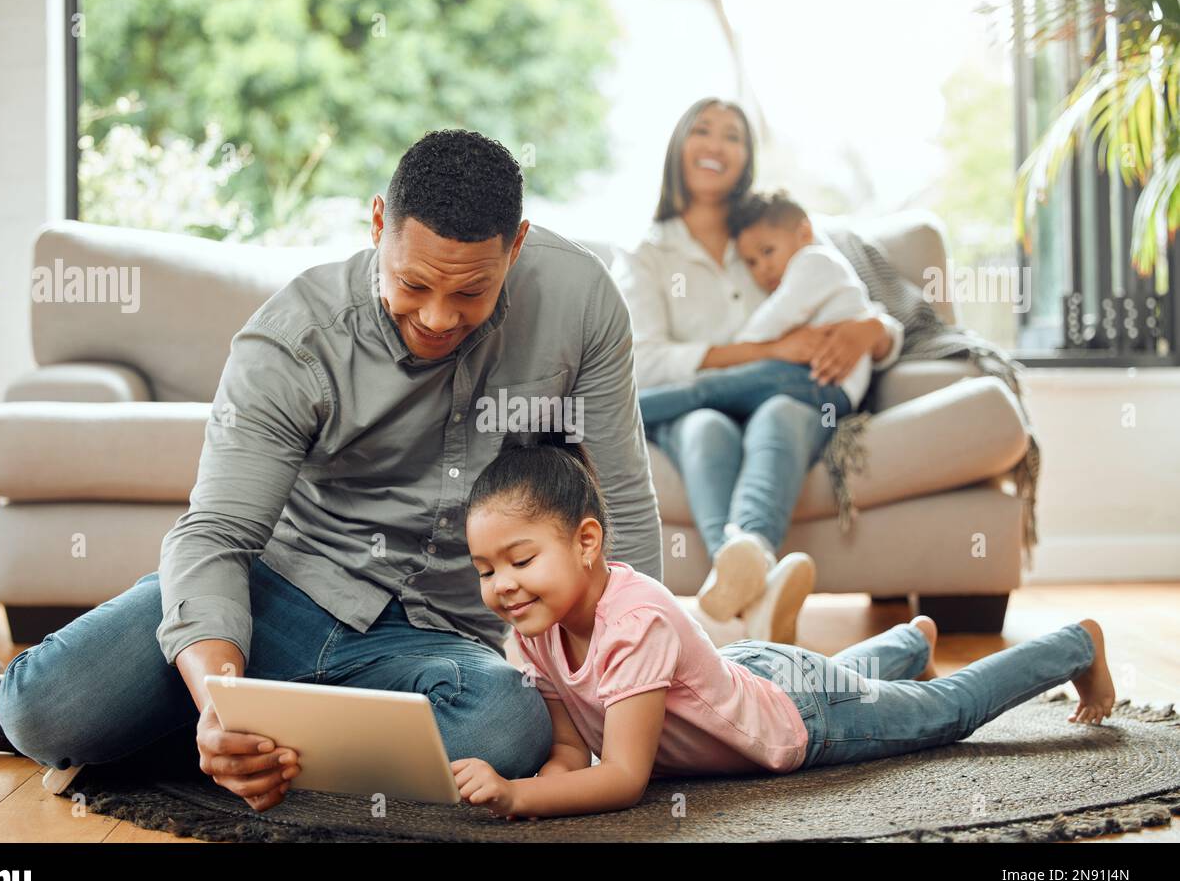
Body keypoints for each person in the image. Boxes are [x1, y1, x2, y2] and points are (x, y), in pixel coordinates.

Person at [0, 129, 662, 813]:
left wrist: (643, 668)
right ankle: (102, 716)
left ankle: (176, 736)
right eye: (414, 285)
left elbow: (619, 493)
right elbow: (217, 535)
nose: (437, 317)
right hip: (278, 595)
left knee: (508, 730)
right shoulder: (295, 340)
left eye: (471, 292)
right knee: (45, 714)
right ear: (376, 226)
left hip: (435, 635)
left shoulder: (580, 303)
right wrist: (222, 698)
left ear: (517, 246)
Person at [453, 438, 1117, 820]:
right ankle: (910, 641)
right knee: (842, 680)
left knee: (946, 711)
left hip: (802, 719)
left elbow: (625, 775)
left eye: (520, 560)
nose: (502, 585)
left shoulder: (634, 621)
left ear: (588, 541)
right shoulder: (535, 627)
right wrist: (533, 782)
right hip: (749, 675)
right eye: (485, 569)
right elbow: (572, 754)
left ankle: (1075, 642)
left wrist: (519, 795)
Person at [610, 98, 906, 637]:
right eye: (703, 130)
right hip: (701, 407)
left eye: (733, 136)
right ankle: (752, 581)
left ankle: (746, 570)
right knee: (704, 425)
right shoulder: (644, 254)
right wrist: (770, 352)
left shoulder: (775, 235)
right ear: (678, 144)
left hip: (789, 398)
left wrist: (872, 330)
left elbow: (859, 305)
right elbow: (647, 360)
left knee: (784, 415)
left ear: (747, 157)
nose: (716, 145)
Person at [637, 188, 880, 430]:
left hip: (825, 384)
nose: (762, 268)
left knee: (708, 389)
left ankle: (620, 413)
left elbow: (775, 317)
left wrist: (746, 348)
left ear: (804, 233)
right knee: (716, 393)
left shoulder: (814, 262)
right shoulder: (815, 269)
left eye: (768, 251)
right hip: (823, 387)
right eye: (751, 262)